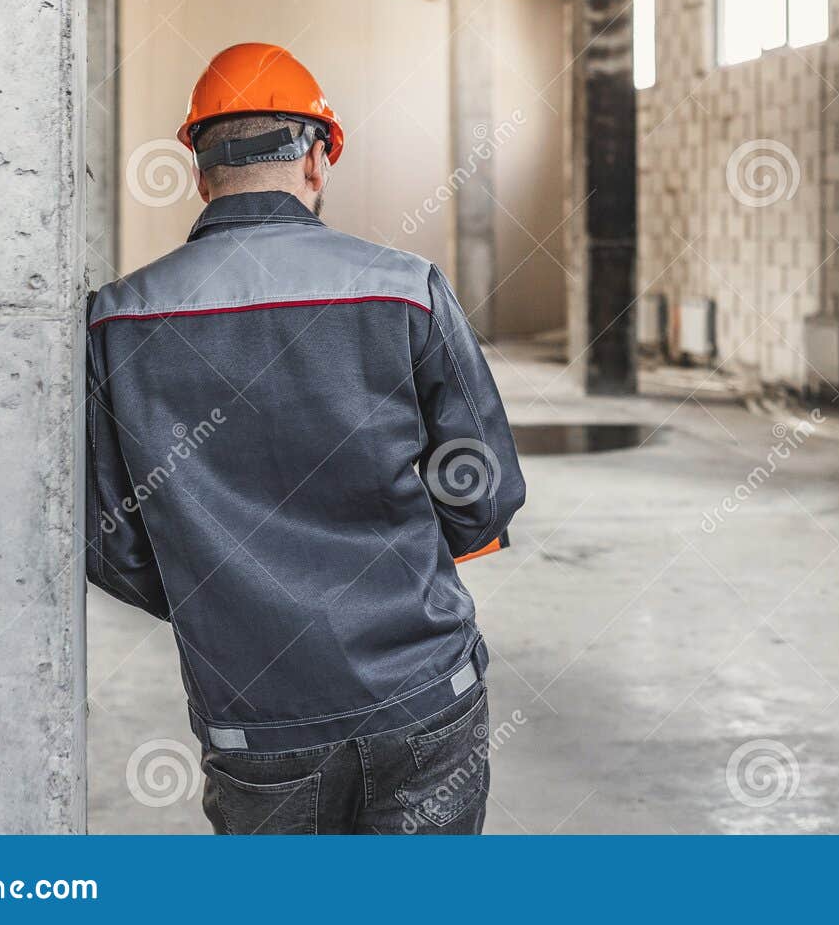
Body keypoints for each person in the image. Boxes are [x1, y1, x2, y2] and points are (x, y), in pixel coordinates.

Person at [85, 42, 525, 835]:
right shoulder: (406, 289)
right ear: (318, 160)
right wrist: (398, 574)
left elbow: (110, 543)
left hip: (254, 714)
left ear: (197, 170)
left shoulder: (116, 322)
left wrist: (223, 598)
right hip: (422, 690)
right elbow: (483, 489)